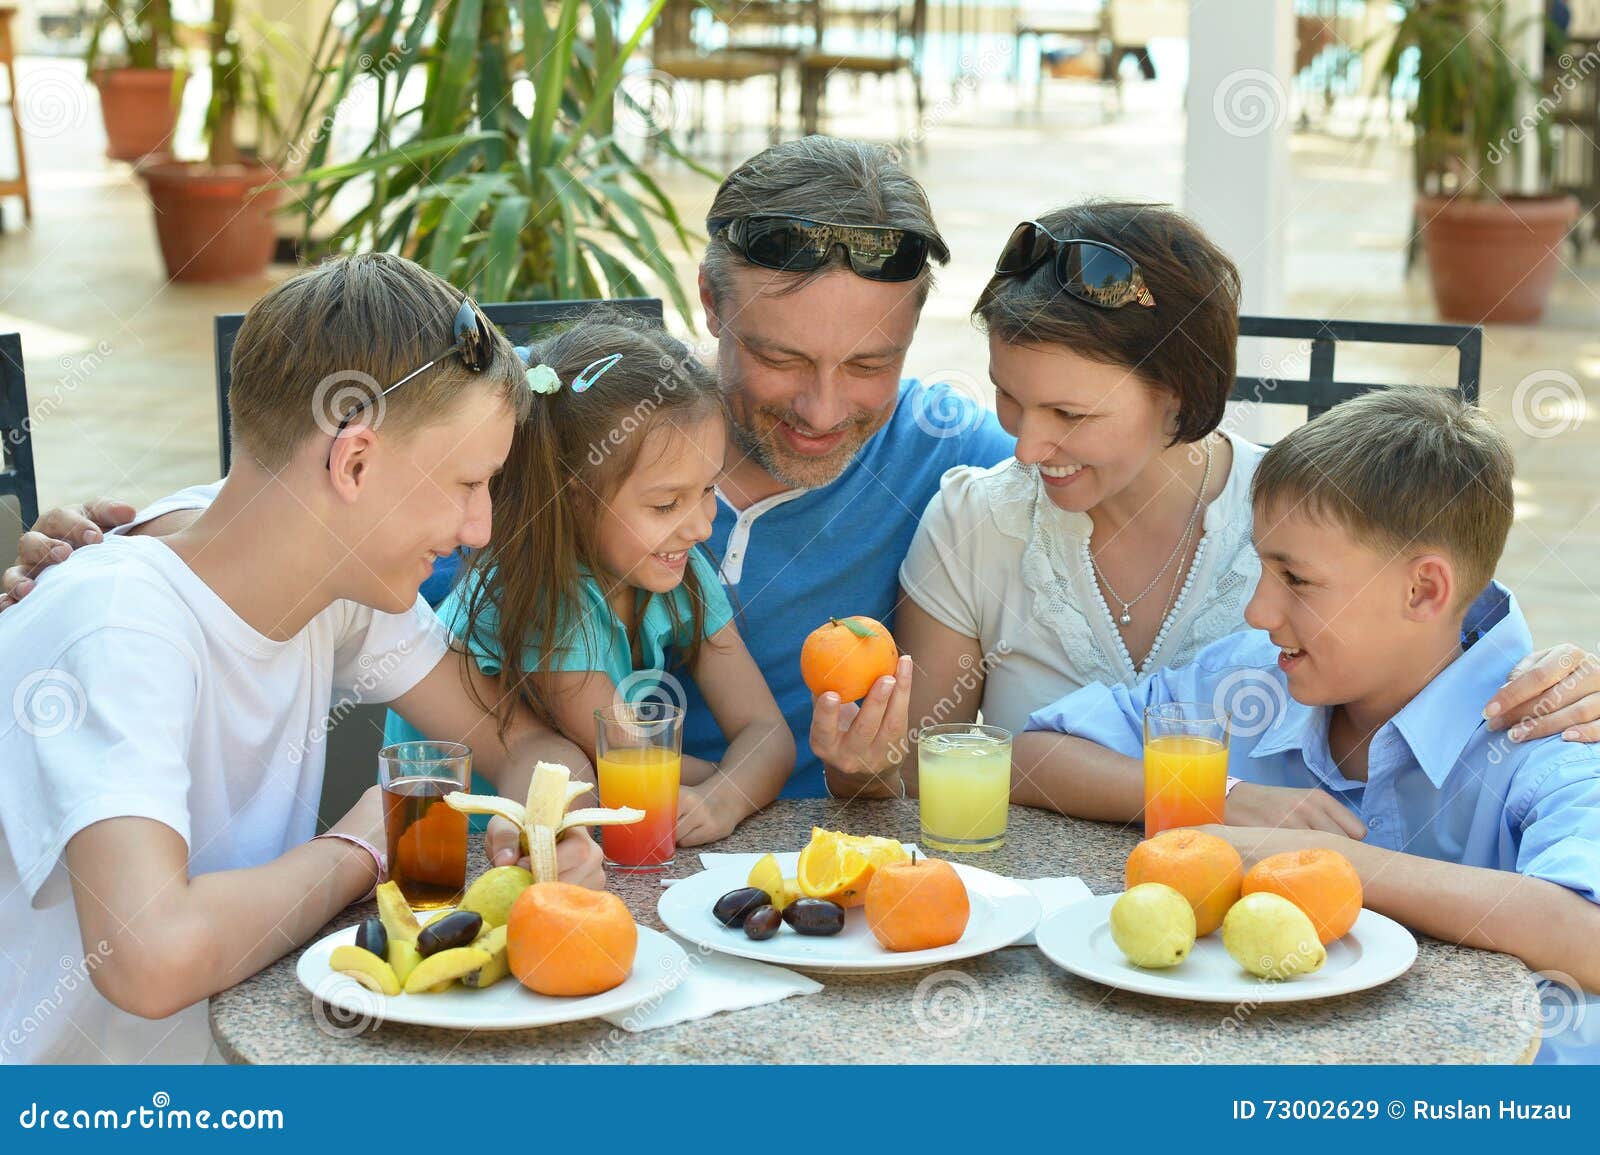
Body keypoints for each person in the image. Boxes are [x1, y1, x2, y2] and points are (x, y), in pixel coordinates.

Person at [9, 137, 1600, 790]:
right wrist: (126, 535)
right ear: (701, 303)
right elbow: (346, 497)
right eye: (776, 354)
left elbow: (1390, 566)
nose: (825, 405)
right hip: (552, 839)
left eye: (872, 364)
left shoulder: (967, 466)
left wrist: (1537, 662)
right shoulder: (574, 423)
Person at [0, 254, 600, 1065]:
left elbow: (523, 743)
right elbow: (150, 957)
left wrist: (547, 830)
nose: (479, 528)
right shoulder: (120, 626)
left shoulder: (334, 572)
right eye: (468, 481)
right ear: (352, 461)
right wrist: (367, 843)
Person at [892, 201, 1600, 825]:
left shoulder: (1309, 519)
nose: (1025, 445)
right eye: (1008, 395)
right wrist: (1208, 794)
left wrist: (1571, 682)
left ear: (1176, 392)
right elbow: (923, 775)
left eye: (1069, 413)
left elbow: (1457, 645)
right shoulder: (978, 519)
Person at [1022, 386, 1599, 1062]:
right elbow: (1037, 754)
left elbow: (1585, 933)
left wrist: (1330, 865)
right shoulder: (1255, 679)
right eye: (1261, 567)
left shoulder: (1555, 727)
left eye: (1296, 579)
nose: (1259, 611)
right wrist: (1233, 800)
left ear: (1424, 590)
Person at [384, 316, 794, 846]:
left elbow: (767, 732)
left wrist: (727, 797)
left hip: (564, 831)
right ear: (574, 497)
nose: (700, 525)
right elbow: (625, 763)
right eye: (666, 503)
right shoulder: (547, 593)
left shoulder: (678, 563)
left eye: (710, 488)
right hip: (460, 846)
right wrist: (738, 784)